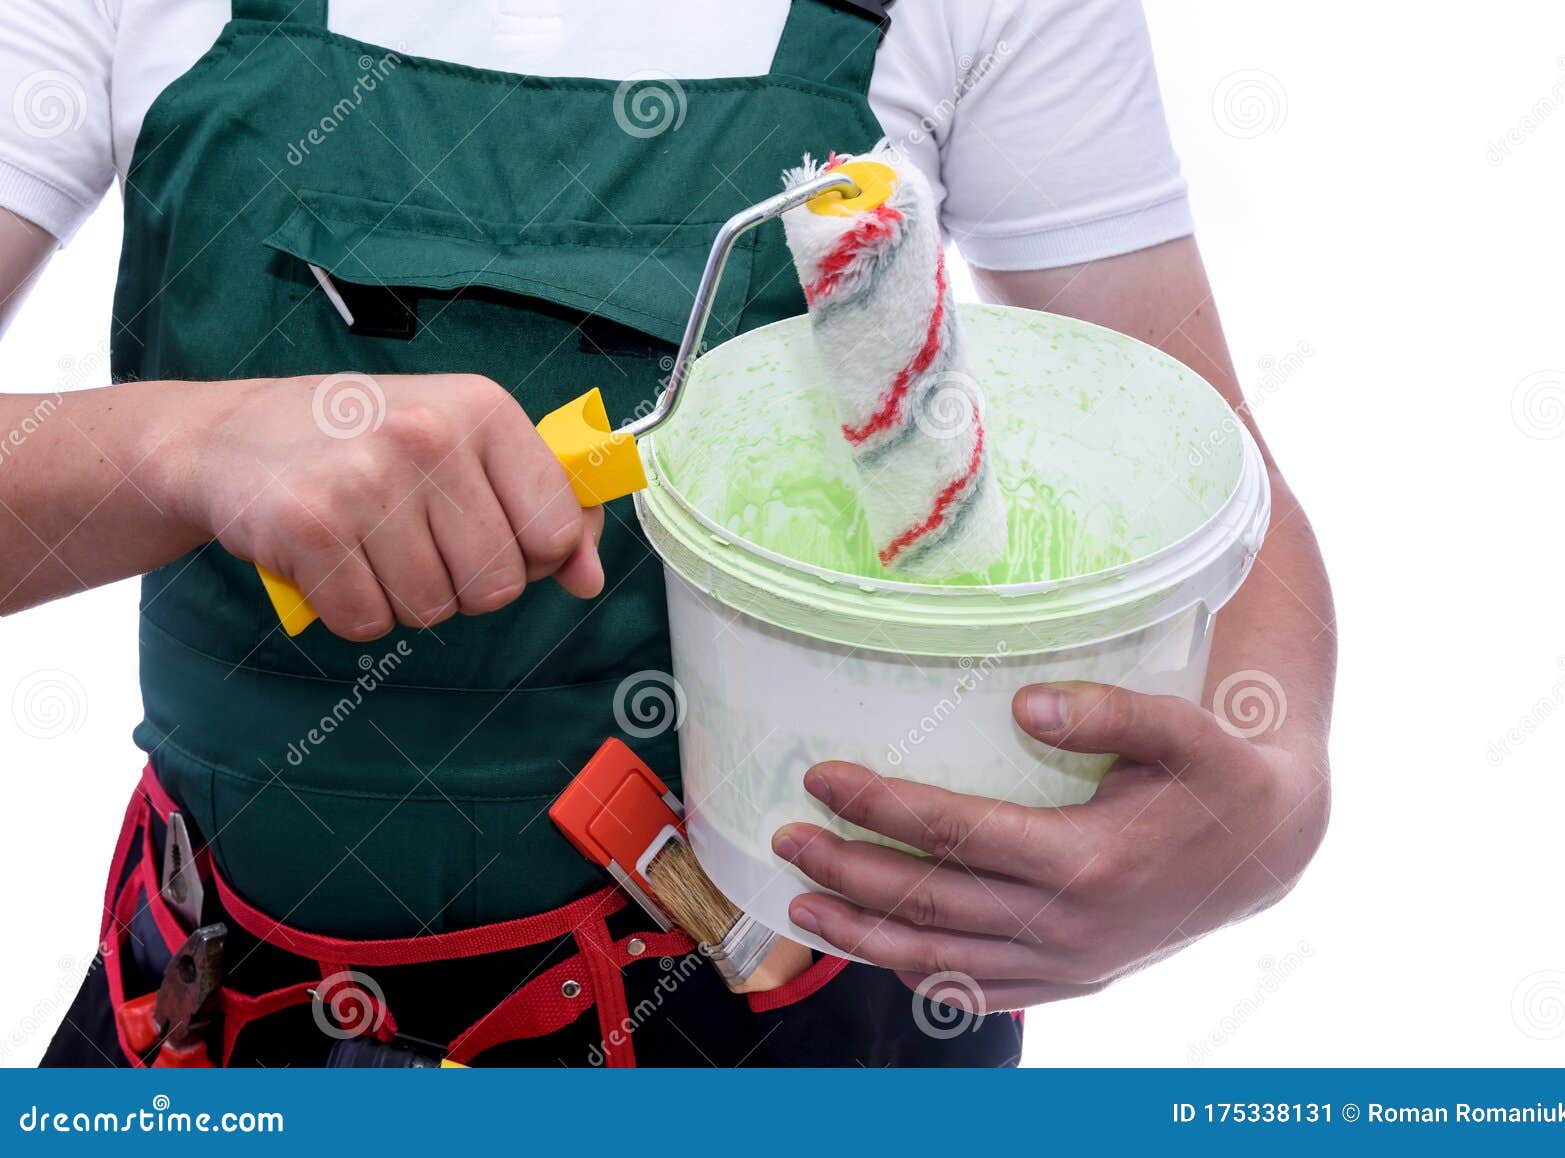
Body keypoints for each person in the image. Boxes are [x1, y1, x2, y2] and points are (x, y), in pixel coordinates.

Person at [0, 0, 1334, 1066]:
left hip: (812, 1040)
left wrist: (1266, 811)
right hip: (225, 1032)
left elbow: (1208, 492)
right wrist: (179, 448)